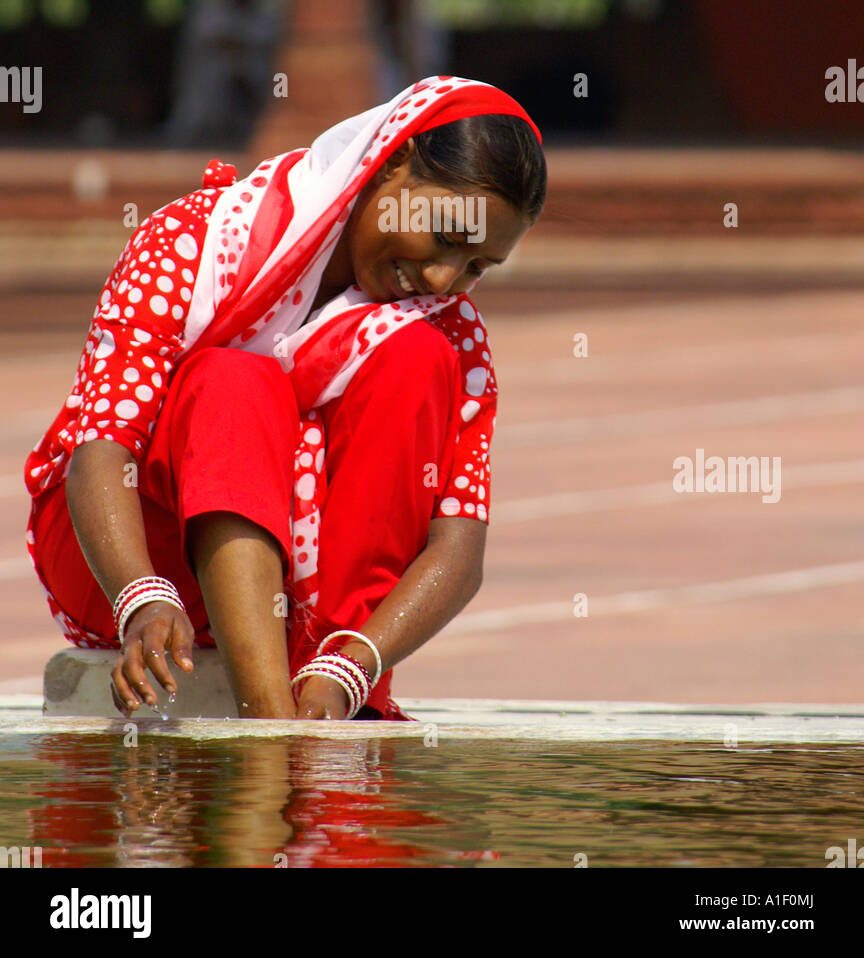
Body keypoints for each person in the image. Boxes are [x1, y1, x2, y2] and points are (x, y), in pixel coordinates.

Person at [24, 76, 546, 721]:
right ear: (390, 162)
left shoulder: (443, 326)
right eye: (441, 235)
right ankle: (270, 723)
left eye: (476, 266)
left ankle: (322, 685)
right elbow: (102, 448)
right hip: (132, 563)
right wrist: (142, 598)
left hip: (323, 631)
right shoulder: (197, 243)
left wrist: (352, 669)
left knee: (416, 357)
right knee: (236, 382)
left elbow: (459, 549)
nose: (443, 277)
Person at [159, 0, 280, 147]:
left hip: (258, 105)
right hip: (206, 112)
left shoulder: (270, 11)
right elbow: (214, 41)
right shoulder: (209, 10)